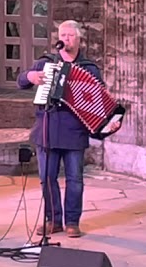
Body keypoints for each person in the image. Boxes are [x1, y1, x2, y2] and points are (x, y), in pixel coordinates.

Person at [17, 20, 118, 238]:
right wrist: (30, 77)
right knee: (47, 178)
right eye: (63, 35)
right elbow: (21, 81)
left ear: (79, 39)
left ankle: (72, 221)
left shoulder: (89, 69)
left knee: (75, 180)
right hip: (47, 129)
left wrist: (108, 121)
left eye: (70, 36)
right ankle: (53, 220)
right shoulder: (46, 62)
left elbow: (97, 103)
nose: (65, 39)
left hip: (74, 132)